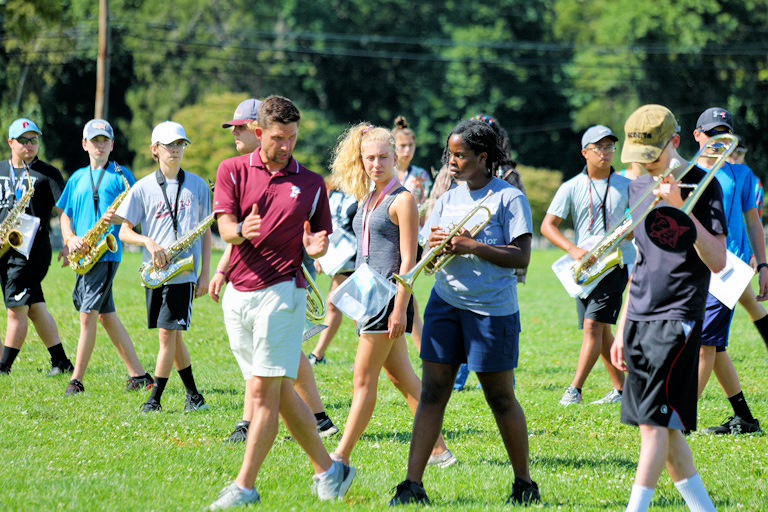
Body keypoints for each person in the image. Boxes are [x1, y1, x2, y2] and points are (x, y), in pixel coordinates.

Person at [208, 96, 355, 509]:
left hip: (284, 292)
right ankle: (330, 471)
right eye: (278, 137)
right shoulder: (231, 170)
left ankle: (245, 488)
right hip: (238, 294)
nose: (287, 145)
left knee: (261, 392)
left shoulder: (310, 183)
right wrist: (241, 230)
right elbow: (224, 227)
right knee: (279, 391)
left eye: (292, 137)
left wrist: (315, 244)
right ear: (259, 133)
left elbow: (319, 238)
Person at [390, 119, 539, 506]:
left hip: (492, 312)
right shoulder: (446, 198)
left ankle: (524, 482)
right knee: (433, 393)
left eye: (460, 156)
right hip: (446, 305)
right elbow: (430, 258)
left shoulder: (508, 197)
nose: (452, 162)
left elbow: (521, 255)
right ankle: (412, 485)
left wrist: (473, 246)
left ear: (483, 158)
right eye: (450, 155)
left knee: (500, 397)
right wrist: (437, 247)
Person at [611, 104, 724, 512]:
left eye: (652, 156)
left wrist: (681, 209)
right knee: (664, 426)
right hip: (640, 314)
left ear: (675, 143)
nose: (643, 165)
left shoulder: (704, 184)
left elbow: (718, 260)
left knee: (654, 427)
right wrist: (625, 322)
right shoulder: (637, 186)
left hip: (677, 316)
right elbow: (642, 259)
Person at [328, 122, 455, 469]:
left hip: (388, 302)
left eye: (383, 156)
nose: (376, 164)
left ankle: (340, 456)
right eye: (369, 158)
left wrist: (401, 309)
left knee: (363, 380)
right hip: (368, 300)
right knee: (402, 379)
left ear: (396, 156)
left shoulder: (403, 200)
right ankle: (441, 452)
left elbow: (410, 260)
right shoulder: (368, 197)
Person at [117, 121, 210, 414]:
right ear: (154, 150)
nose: (176, 151)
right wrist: (148, 242)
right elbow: (124, 231)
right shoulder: (143, 187)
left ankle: (155, 398)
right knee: (172, 333)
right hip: (155, 273)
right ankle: (194, 396)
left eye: (180, 145)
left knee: (167, 335)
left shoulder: (197, 185)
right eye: (170, 145)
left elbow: (206, 231)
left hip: (184, 271)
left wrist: (205, 273)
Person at [57, 119, 153, 396]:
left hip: (107, 254)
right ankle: (139, 375)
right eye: (94, 141)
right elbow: (65, 215)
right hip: (85, 251)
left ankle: (76, 380)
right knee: (106, 317)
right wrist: (70, 239)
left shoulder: (122, 176)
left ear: (112, 145)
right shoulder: (76, 177)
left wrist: (119, 217)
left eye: (105, 141)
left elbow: (138, 214)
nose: (99, 146)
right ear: (85, 144)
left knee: (88, 316)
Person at [541, 125, 631, 406]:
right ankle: (622, 391)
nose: (606, 153)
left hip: (616, 264)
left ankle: (575, 390)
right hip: (585, 269)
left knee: (593, 326)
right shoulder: (571, 187)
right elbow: (548, 226)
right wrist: (573, 249)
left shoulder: (628, 185)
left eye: (610, 147)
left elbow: (644, 223)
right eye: (599, 147)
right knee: (601, 332)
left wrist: (631, 231)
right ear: (585, 153)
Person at [691, 108, 764, 435]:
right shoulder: (684, 174)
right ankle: (745, 418)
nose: (718, 141)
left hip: (728, 270)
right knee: (715, 346)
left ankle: (679, 422)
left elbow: (753, 221)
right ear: (697, 135)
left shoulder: (742, 174)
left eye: (724, 134)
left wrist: (763, 264)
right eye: (711, 133)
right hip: (694, 271)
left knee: (706, 343)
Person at [453, 113, 529, 392]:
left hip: (497, 263)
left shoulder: (509, 178)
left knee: (495, 315)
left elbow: (519, 229)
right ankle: (459, 380)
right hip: (459, 269)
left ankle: (504, 377)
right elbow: (441, 200)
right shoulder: (457, 171)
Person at [0, 118, 73, 377]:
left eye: (34, 139)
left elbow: (67, 211)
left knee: (16, 309)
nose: (30, 145)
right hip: (3, 251)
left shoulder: (48, 173)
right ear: (11, 143)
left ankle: (3, 367)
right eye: (23, 140)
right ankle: (62, 362)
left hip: (31, 253)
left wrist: (68, 241)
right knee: (34, 308)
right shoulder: (0, 171)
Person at [307, 181, 358, 364]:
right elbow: (326, 225)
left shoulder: (365, 188)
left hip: (355, 254)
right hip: (337, 255)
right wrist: (321, 256)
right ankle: (318, 354)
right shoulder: (332, 190)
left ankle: (318, 354)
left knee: (344, 305)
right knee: (341, 306)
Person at [392, 116, 429, 352]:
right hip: (387, 236)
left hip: (411, 239)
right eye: (402, 146)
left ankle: (421, 347)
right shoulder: (386, 169)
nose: (407, 151)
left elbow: (427, 209)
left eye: (410, 146)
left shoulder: (420, 176)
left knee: (407, 294)